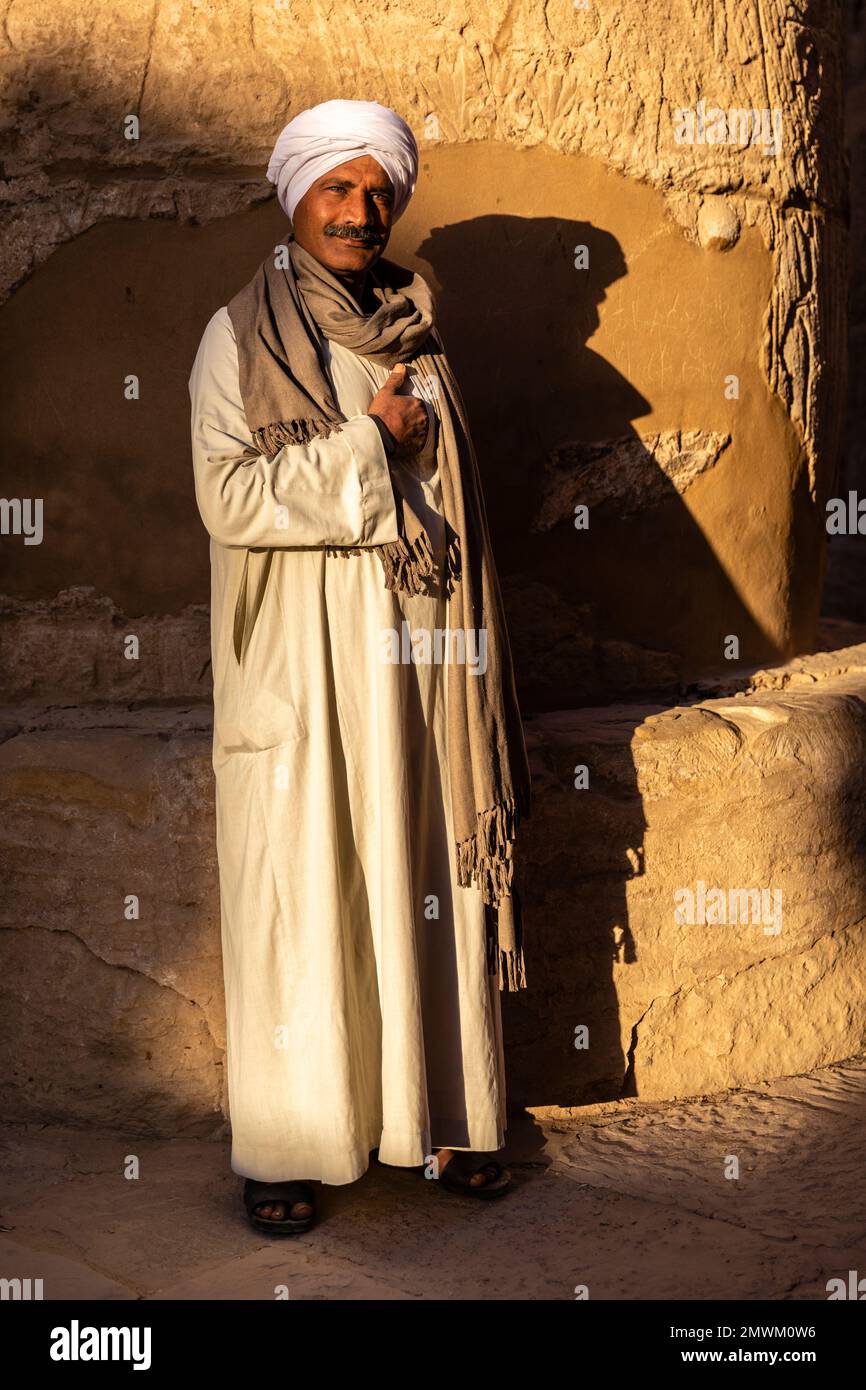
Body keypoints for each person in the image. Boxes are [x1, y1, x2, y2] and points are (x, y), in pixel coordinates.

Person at [188, 98, 531, 1234]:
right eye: (334, 188)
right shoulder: (234, 338)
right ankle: (291, 1144)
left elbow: (457, 509)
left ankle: (438, 1118)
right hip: (300, 666)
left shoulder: (413, 328)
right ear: (294, 199)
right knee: (308, 892)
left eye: (375, 189)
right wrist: (367, 448)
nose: (359, 209)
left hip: (413, 665)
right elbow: (229, 497)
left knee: (418, 873)